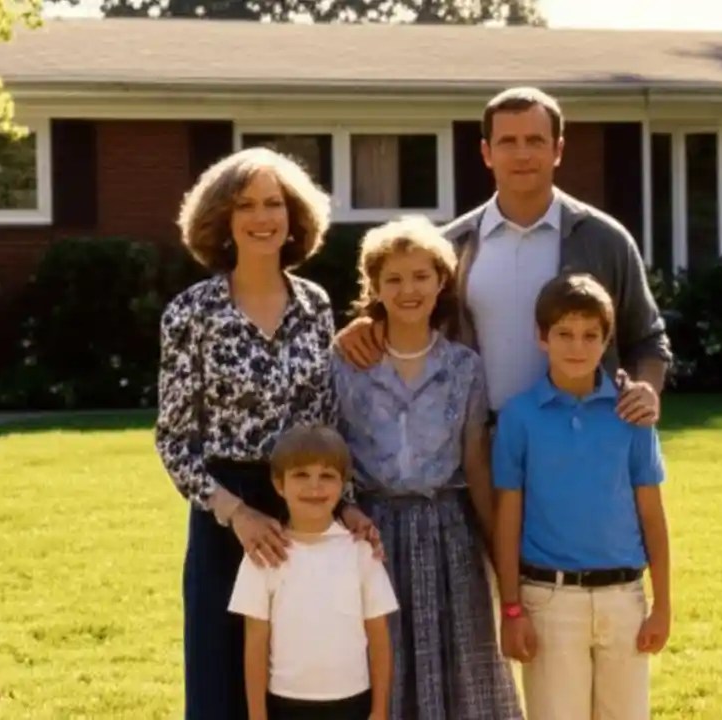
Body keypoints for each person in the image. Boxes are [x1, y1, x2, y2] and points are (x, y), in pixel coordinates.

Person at [155, 147, 380, 720]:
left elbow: (325, 424)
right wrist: (237, 513)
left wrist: (345, 505)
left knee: (295, 678)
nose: (262, 217)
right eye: (246, 205)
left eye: (274, 203)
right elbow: (174, 441)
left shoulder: (315, 306)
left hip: (303, 507)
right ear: (222, 221)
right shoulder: (191, 313)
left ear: (293, 216)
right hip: (225, 515)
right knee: (221, 676)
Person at [335, 86, 671, 427]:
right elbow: (408, 317)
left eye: (535, 141)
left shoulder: (604, 240)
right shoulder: (453, 245)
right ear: (486, 152)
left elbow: (647, 338)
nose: (521, 154)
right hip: (479, 442)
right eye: (508, 142)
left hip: (577, 437)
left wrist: (646, 389)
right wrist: (363, 328)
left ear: (558, 150)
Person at [332, 216, 523, 720]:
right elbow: (330, 454)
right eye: (393, 279)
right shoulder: (346, 364)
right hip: (373, 534)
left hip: (449, 533)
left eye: (420, 276)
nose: (408, 289)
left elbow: (477, 464)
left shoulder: (464, 368)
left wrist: (501, 561)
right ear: (374, 287)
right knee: (383, 669)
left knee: (464, 668)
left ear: (442, 281)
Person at [492, 273, 672, 720]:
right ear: (541, 338)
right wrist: (512, 608)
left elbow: (652, 514)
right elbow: (508, 519)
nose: (577, 346)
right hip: (549, 602)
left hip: (623, 598)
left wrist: (663, 605)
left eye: (591, 335)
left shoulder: (631, 413)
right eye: (564, 334)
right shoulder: (519, 417)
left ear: (606, 339)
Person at [228, 425, 397, 720]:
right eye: (301, 475)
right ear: (279, 485)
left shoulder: (361, 552)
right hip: (286, 704)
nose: (315, 487)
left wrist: (380, 710)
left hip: (353, 702)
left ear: (343, 484)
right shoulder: (264, 556)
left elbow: (379, 636)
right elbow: (255, 642)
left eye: (327, 476)